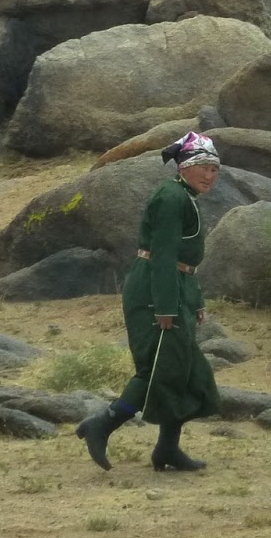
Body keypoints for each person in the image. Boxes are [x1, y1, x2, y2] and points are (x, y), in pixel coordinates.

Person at [75, 131, 223, 472]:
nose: (209, 175)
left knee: (187, 372)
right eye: (201, 166)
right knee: (156, 369)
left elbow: (186, 260)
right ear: (183, 167)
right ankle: (102, 425)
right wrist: (166, 308)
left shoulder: (186, 196)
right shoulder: (170, 198)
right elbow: (163, 255)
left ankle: (167, 450)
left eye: (214, 168)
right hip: (154, 294)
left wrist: (194, 299)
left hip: (175, 286)